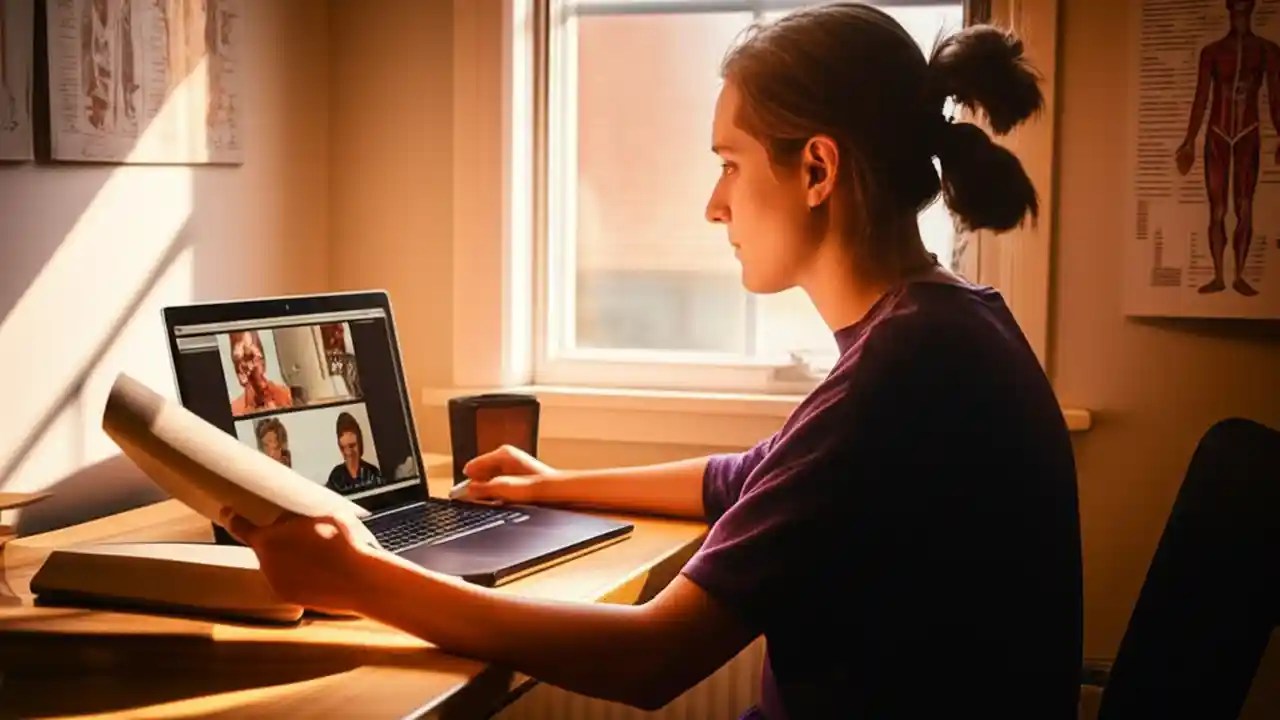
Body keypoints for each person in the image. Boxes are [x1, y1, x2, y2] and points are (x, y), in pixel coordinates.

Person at [221, 5, 1083, 718]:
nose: (714, 206)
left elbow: (651, 658)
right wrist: (547, 486)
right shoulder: (950, 326)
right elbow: (751, 476)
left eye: (730, 164)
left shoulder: (899, 376)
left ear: (817, 168)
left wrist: (358, 579)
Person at [1175, 0, 1280, 297]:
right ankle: (1220, 275)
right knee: (1218, 209)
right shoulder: (1212, 53)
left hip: (1248, 132)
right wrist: (1189, 140)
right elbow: (1201, 99)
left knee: (1245, 207)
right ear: (1230, 11)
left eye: (1244, 11)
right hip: (1218, 134)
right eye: (1236, 11)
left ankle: (1240, 275)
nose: (1240, 17)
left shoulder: (1266, 51)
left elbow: (1275, 98)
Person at [227, 330, 294, 415]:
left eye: (252, 357)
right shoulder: (235, 410)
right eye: (241, 359)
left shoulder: (286, 396)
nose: (249, 366)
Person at [325, 411, 382, 493]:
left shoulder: (372, 473)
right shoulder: (335, 476)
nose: (348, 452)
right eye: (343, 447)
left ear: (360, 443)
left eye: (352, 446)